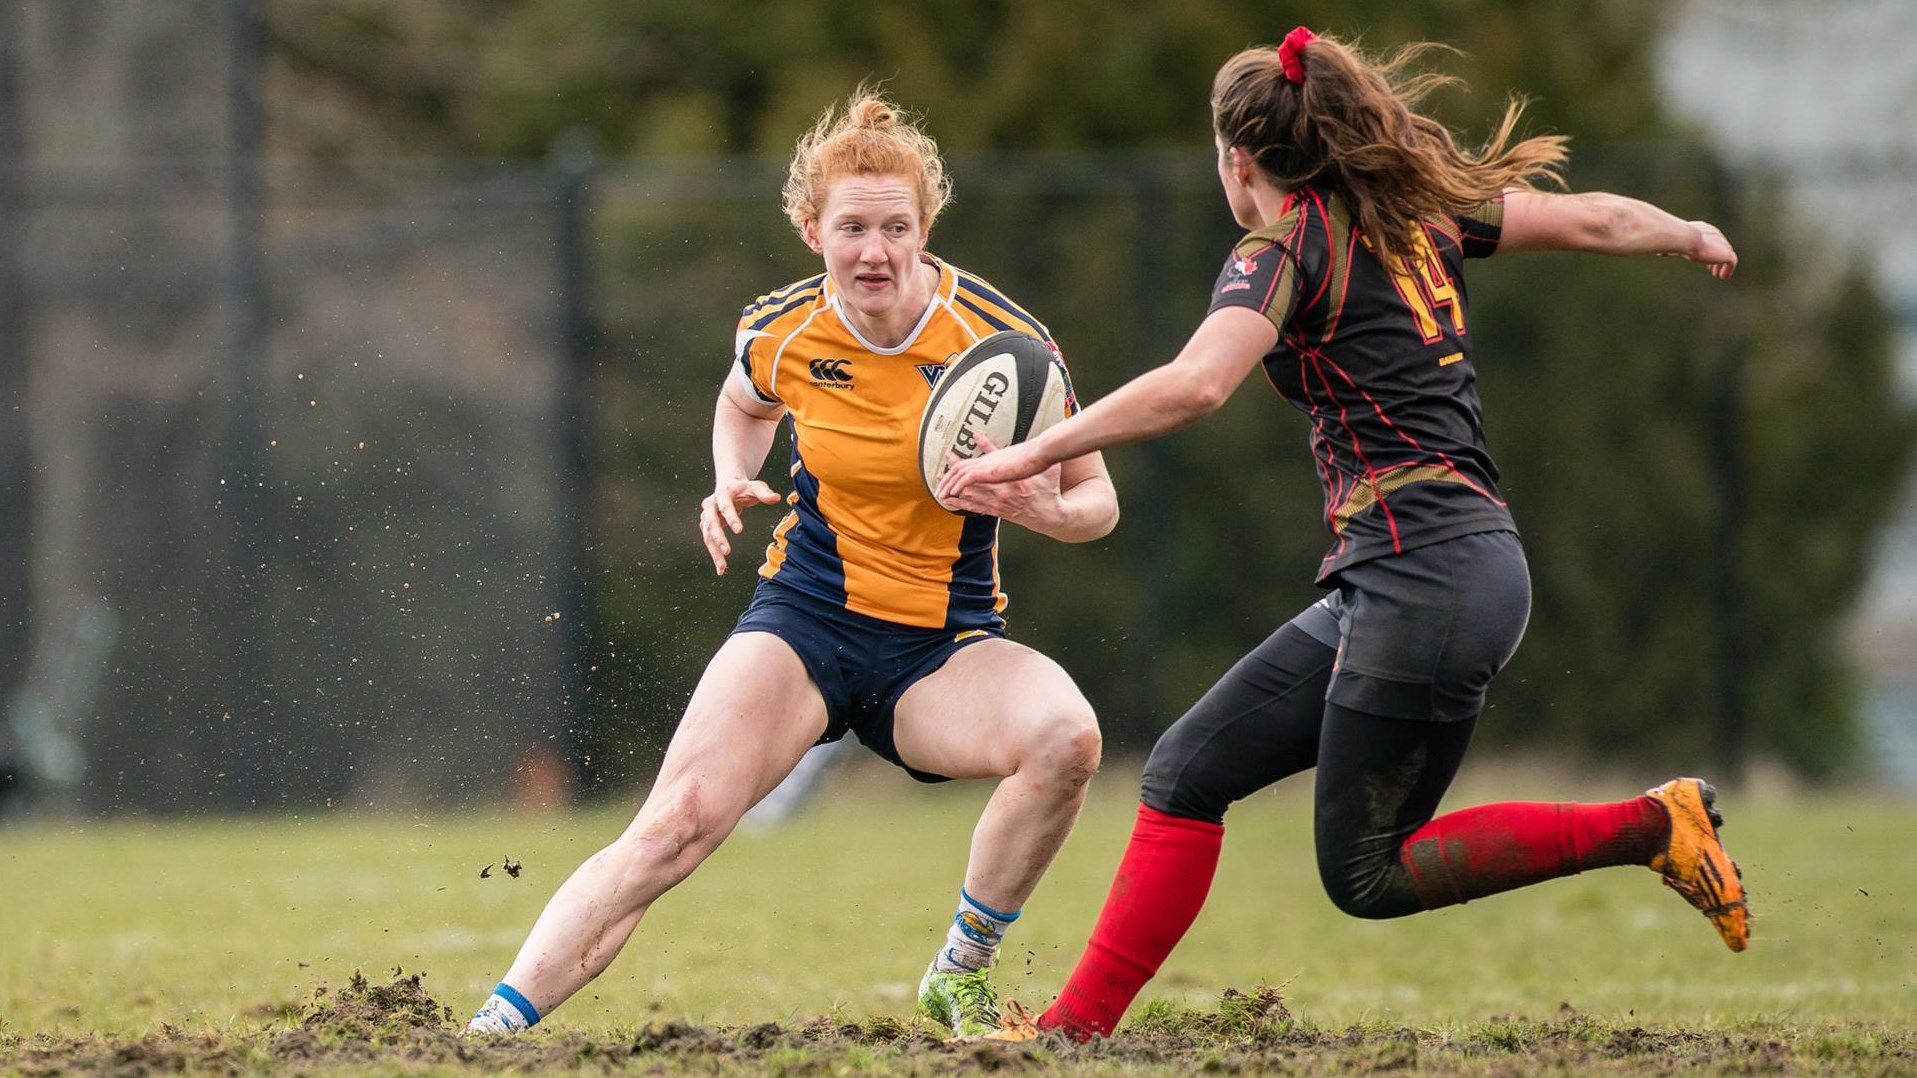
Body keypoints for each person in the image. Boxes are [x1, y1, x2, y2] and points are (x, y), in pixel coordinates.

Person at [939, 28, 1747, 1043]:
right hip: (1438, 570)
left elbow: (1194, 384)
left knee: (1368, 871)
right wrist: (1686, 228)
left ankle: (1649, 825)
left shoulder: (1281, 248)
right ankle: (1071, 1033)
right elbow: (1590, 219)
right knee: (1188, 770)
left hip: (1425, 579)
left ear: (1238, 161)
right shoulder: (1420, 211)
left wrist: (1029, 451)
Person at [466, 90, 1118, 1039]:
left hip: (942, 645)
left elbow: (1096, 501)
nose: (874, 251)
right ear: (811, 230)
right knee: (675, 825)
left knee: (1067, 738)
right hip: (804, 619)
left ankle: (960, 970)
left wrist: (1043, 508)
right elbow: (742, 403)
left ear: (925, 228)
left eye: (896, 227)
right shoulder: (783, 329)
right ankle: (491, 1031)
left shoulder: (1003, 343)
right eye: (851, 227)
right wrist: (729, 478)